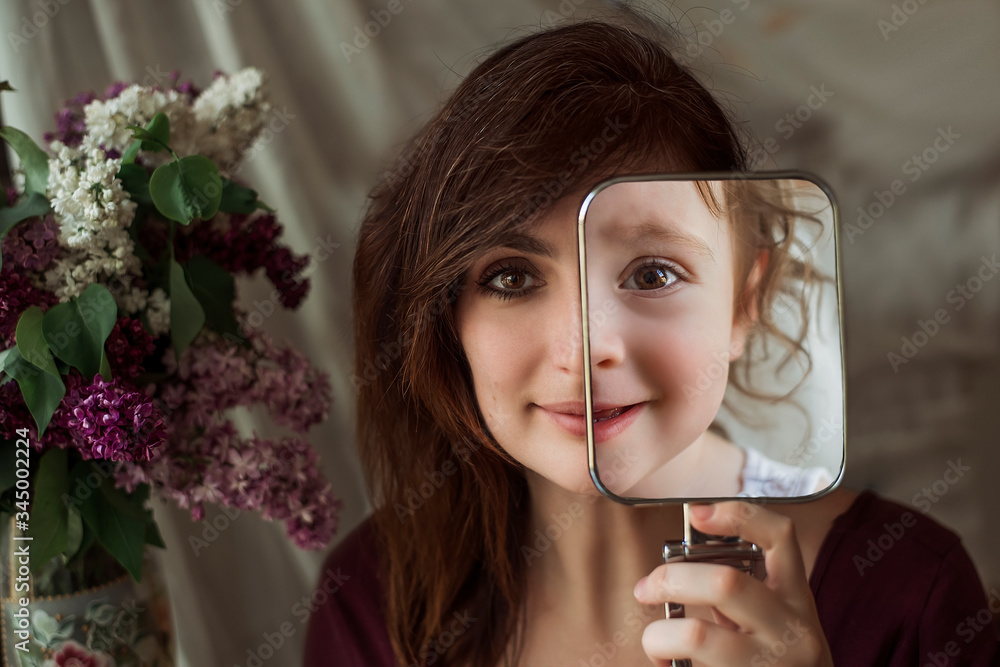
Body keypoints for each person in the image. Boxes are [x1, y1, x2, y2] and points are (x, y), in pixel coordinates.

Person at [304, 16, 999, 667]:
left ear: (745, 298)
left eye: (653, 272)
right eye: (513, 277)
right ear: (449, 320)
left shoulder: (911, 592)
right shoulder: (369, 601)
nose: (584, 349)